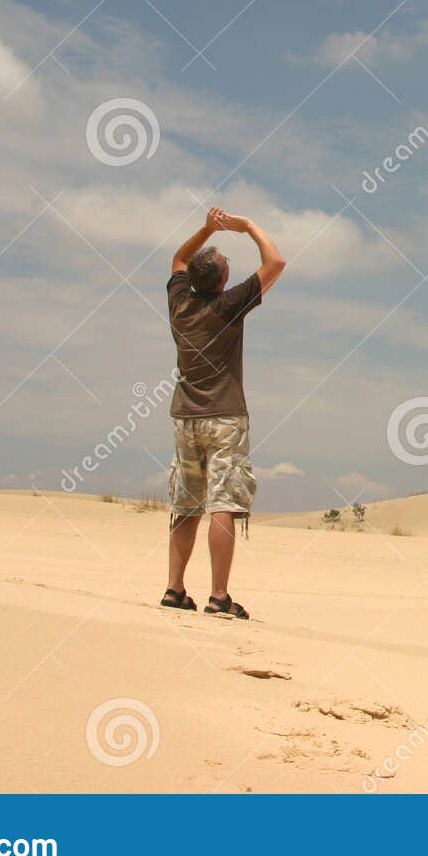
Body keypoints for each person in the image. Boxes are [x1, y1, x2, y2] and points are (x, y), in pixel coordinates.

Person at [160, 207, 286, 619]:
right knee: (223, 504)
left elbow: (178, 260)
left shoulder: (179, 305)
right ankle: (218, 596)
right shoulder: (227, 305)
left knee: (186, 503)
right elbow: (276, 262)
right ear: (221, 280)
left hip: (185, 417)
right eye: (227, 266)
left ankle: (174, 589)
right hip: (225, 417)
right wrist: (247, 226)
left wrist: (206, 229)